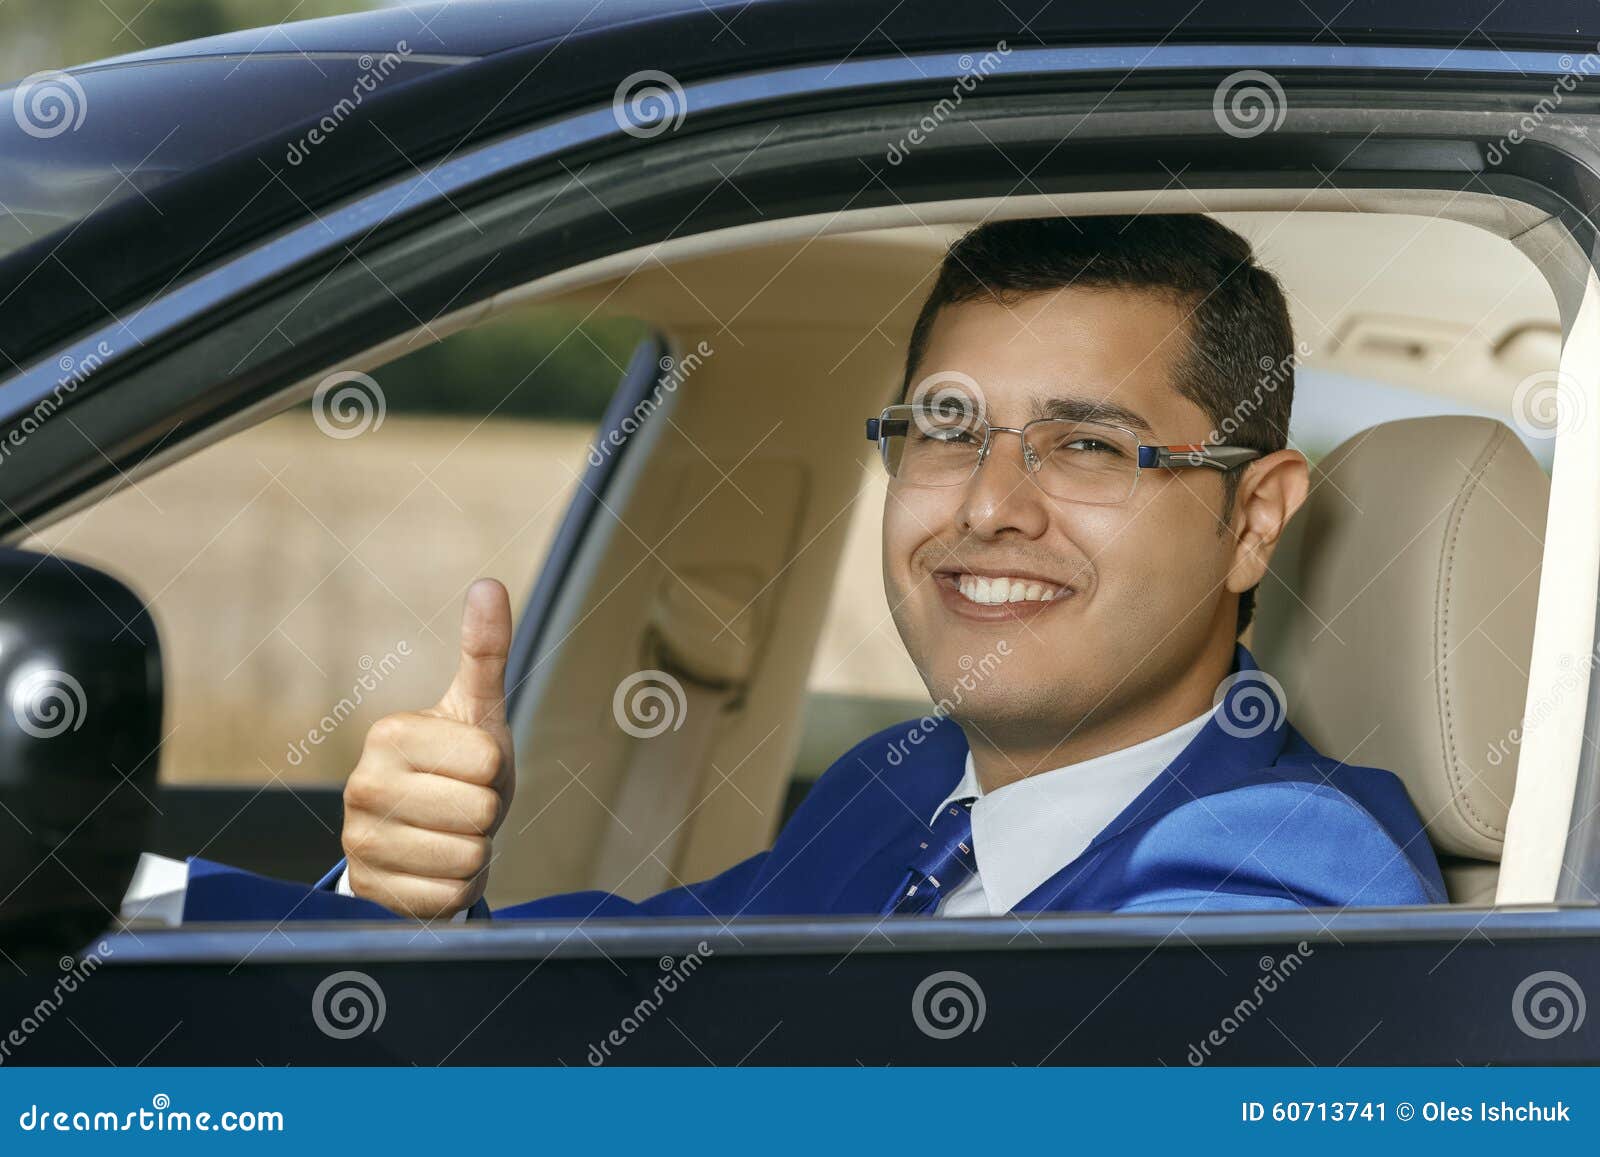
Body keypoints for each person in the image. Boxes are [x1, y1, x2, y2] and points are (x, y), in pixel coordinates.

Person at [181, 214, 1447, 923]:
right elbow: (613, 998)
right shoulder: (899, 790)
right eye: (947, 430)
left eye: (1087, 445)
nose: (993, 507)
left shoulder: (1284, 883)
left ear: (1253, 519)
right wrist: (410, 899)